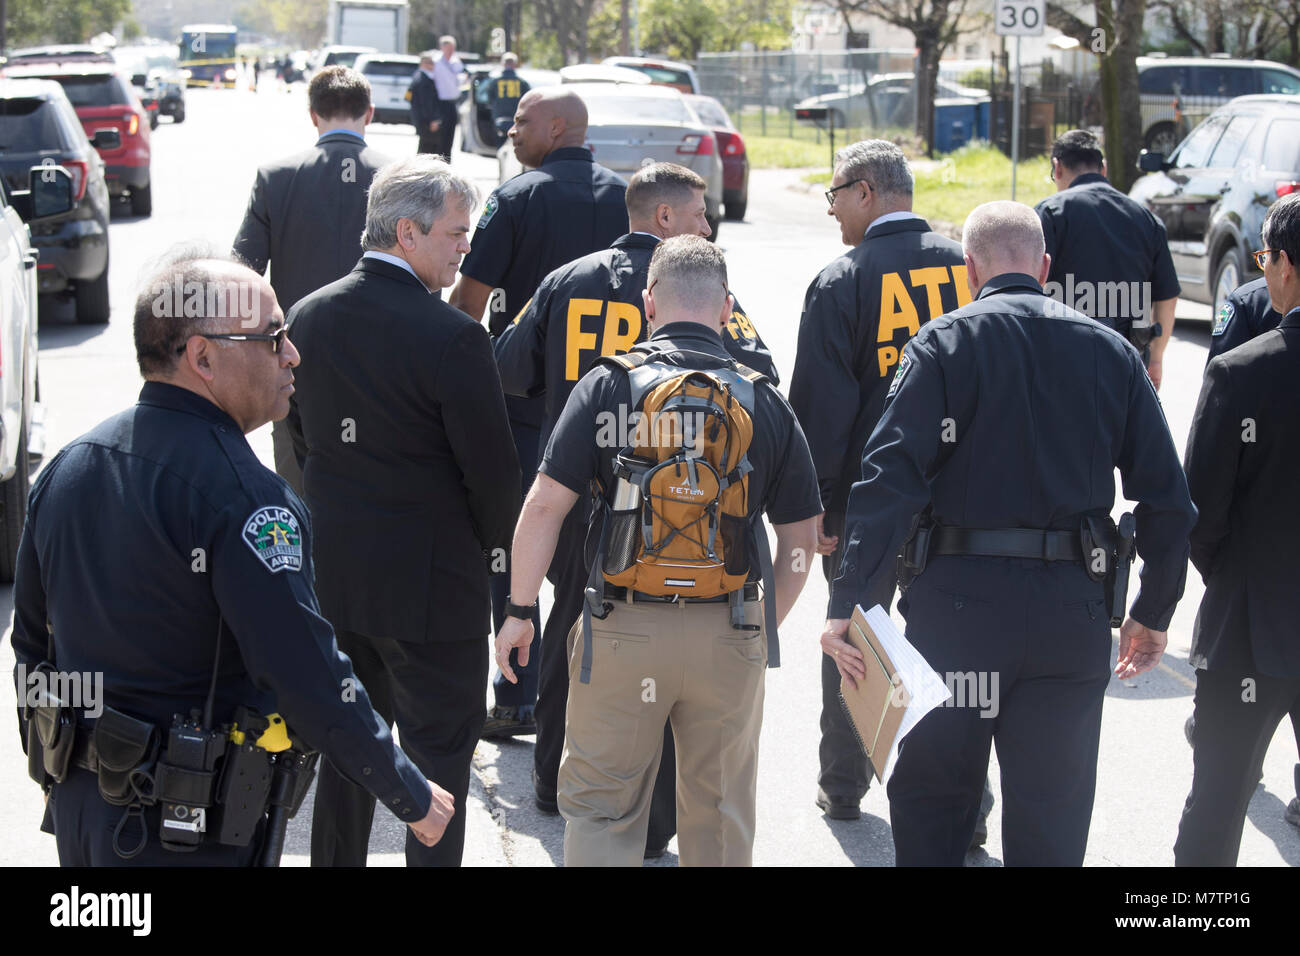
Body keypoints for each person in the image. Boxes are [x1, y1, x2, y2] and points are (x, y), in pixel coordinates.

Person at [11, 250, 454, 866]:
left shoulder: (69, 466)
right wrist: (408, 792)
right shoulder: (246, 501)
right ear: (203, 358)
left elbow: (33, 654)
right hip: (184, 837)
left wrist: (70, 770)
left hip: (85, 822)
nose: (292, 355)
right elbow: (308, 676)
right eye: (274, 338)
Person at [822, 201, 1196, 866]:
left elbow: (886, 484)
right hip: (1070, 616)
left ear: (970, 270)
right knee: (1051, 823)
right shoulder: (1110, 351)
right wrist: (1152, 611)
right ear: (1046, 267)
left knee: (934, 808)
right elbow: (1167, 498)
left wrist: (852, 605)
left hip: (958, 617)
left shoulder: (940, 346)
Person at [494, 235, 822, 865]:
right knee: (720, 816)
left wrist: (519, 609)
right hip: (728, 630)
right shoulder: (764, 399)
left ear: (649, 304)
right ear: (726, 309)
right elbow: (803, 540)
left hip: (621, 630)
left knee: (601, 809)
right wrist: (760, 627)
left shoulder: (606, 387)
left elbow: (543, 507)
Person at [285, 156, 521, 867]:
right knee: (438, 762)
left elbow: (301, 439)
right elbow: (494, 478)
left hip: (337, 581)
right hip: (432, 594)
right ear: (408, 232)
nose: (465, 248)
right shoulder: (452, 335)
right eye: (456, 233)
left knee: (350, 753)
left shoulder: (307, 315)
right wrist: (501, 571)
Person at [788, 139, 972, 825]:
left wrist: (815, 507)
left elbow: (821, 411)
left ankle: (843, 784)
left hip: (870, 498)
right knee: (956, 650)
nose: (832, 211)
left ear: (865, 191)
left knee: (855, 633)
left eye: (835, 195)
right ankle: (966, 803)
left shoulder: (845, 280)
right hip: (965, 496)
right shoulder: (970, 264)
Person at [449, 87, 627, 750]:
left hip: (528, 408)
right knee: (602, 554)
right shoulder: (628, 199)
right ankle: (594, 697)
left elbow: (468, 305)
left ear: (557, 128)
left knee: (521, 547)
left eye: (521, 121)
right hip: (623, 413)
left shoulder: (517, 197)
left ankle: (517, 698)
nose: (510, 130)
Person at [1175, 195, 1300, 864]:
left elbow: (1201, 511)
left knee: (1218, 803)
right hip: (1253, 618)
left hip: (1250, 630)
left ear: (1280, 265)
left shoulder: (1242, 372)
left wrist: (1231, 572)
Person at [232, 65, 390, 496]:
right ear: (369, 113)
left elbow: (242, 274)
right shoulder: (399, 178)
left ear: (312, 114)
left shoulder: (276, 177)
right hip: (383, 356)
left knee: (298, 485)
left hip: (295, 354)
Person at [1035, 129, 1180, 389]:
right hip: (1128, 359)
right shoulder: (1146, 219)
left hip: (1064, 359)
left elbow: (1031, 285)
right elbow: (1167, 297)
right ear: (1103, 168)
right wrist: (1156, 358)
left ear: (1057, 168)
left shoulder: (1050, 213)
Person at [428, 36, 465, 158]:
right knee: (439, 137)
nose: (450, 51)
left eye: (452, 48)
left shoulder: (456, 62)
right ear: (442, 48)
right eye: (448, 48)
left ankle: (447, 159)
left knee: (450, 135)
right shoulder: (436, 61)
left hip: (452, 102)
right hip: (440, 102)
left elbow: (462, 77)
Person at [487, 52, 530, 145]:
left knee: (501, 146)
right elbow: (529, 100)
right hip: (516, 122)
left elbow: (489, 99)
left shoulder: (494, 82)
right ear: (515, 65)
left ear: (503, 64)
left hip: (499, 119)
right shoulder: (522, 83)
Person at [408, 52, 441, 155]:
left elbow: (409, 97)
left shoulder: (418, 76)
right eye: (431, 63)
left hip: (422, 119)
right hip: (426, 121)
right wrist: (433, 120)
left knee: (424, 148)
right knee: (426, 151)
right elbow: (426, 103)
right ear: (424, 63)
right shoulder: (423, 80)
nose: (433, 65)